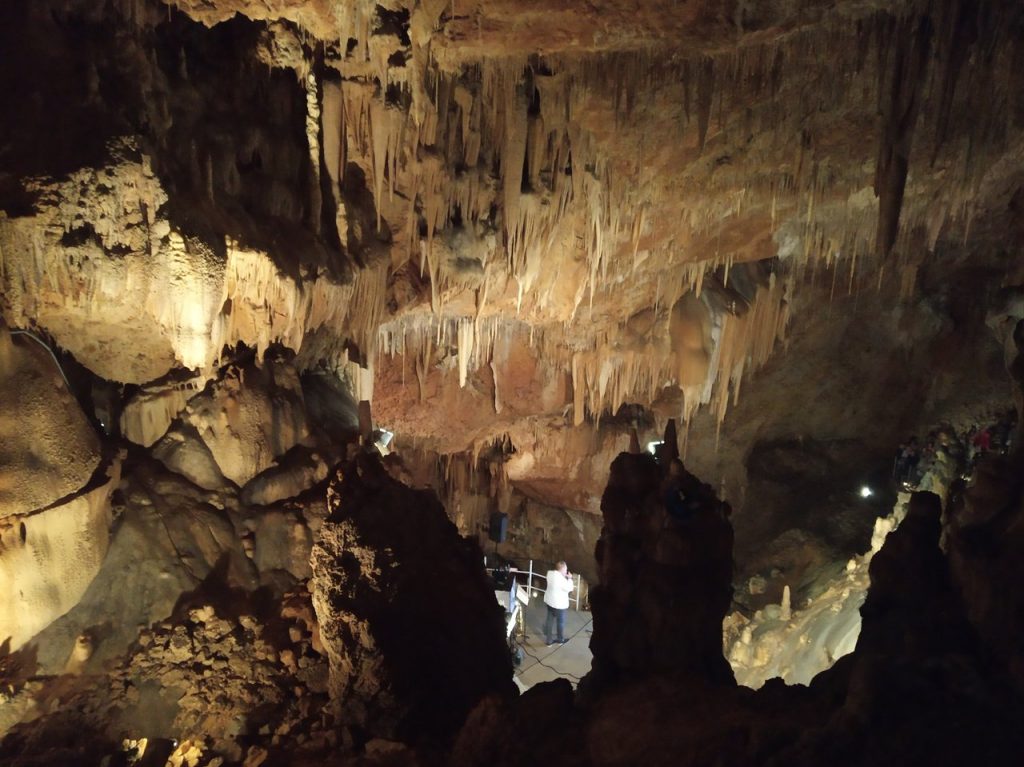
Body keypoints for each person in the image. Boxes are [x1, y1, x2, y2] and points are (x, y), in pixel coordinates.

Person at [543, 561, 574, 646]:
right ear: (562, 569)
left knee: (549, 621)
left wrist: (563, 576)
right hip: (559, 605)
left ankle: (548, 640)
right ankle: (560, 639)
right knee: (560, 622)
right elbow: (570, 588)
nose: (566, 571)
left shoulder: (549, 574)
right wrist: (570, 578)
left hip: (550, 602)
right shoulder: (561, 579)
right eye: (565, 569)